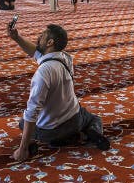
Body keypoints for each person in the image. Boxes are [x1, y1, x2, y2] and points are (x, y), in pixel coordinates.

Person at [8, 24, 110, 161]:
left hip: (50, 130)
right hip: (74, 120)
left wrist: (22, 149)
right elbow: (36, 52)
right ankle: (85, 135)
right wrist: (17, 38)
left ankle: (46, 142)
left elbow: (32, 111)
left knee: (23, 123)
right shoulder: (66, 58)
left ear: (50, 42)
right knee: (94, 119)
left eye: (42, 36)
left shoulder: (43, 72)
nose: (38, 39)